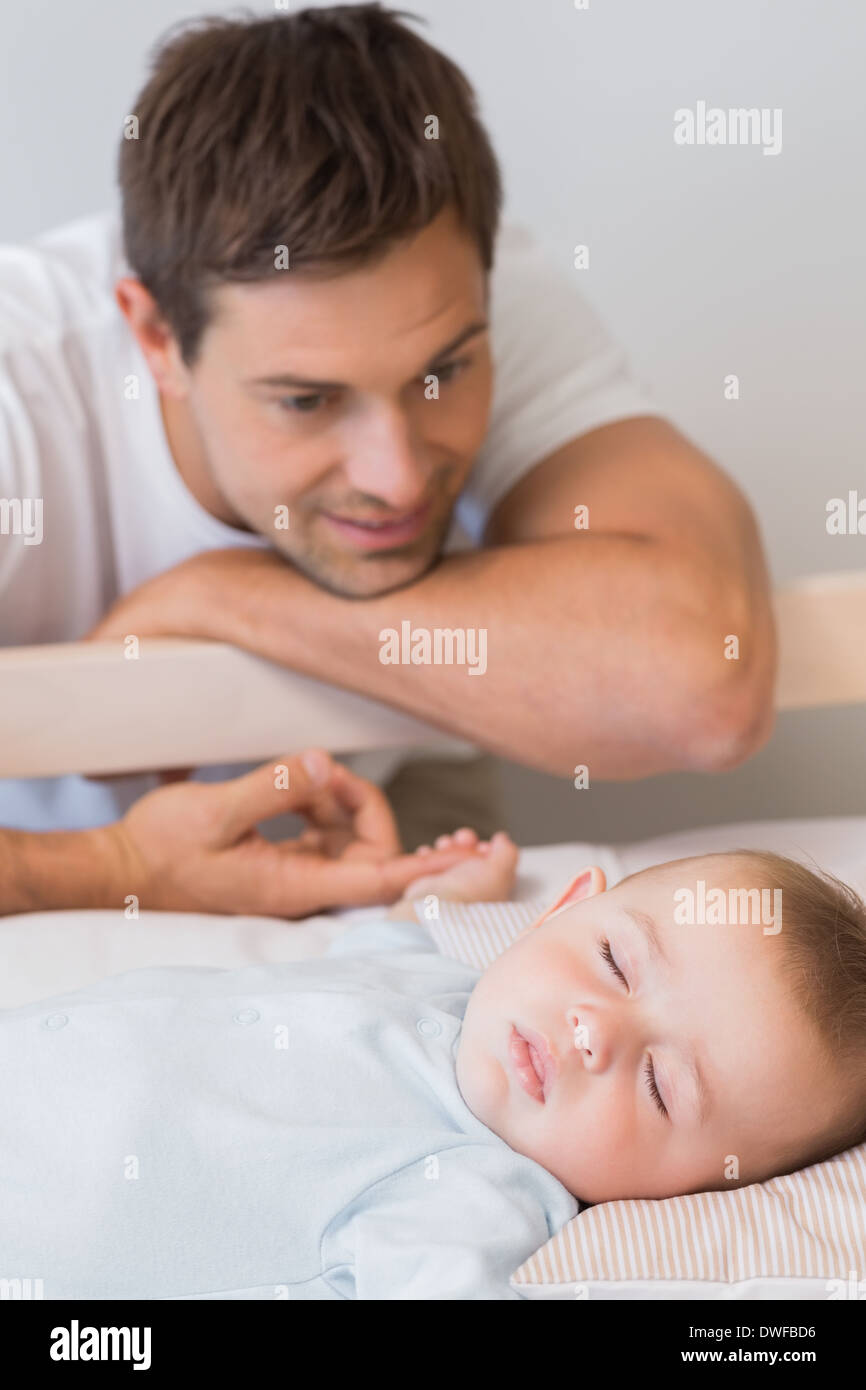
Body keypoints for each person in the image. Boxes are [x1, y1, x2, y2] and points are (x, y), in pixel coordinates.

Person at [0, 6, 775, 890]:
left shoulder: (469, 289)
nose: (397, 478)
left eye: (441, 375)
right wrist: (119, 866)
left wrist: (224, 596)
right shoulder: (19, 400)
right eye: (306, 400)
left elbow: (705, 681)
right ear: (157, 339)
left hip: (392, 782)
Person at [1, 815, 863, 1298]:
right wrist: (438, 900)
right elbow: (375, 950)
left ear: (690, 1192)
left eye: (659, 1086)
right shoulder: (450, 982)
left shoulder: (480, 1188)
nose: (595, 1031)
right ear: (558, 910)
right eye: (614, 963)